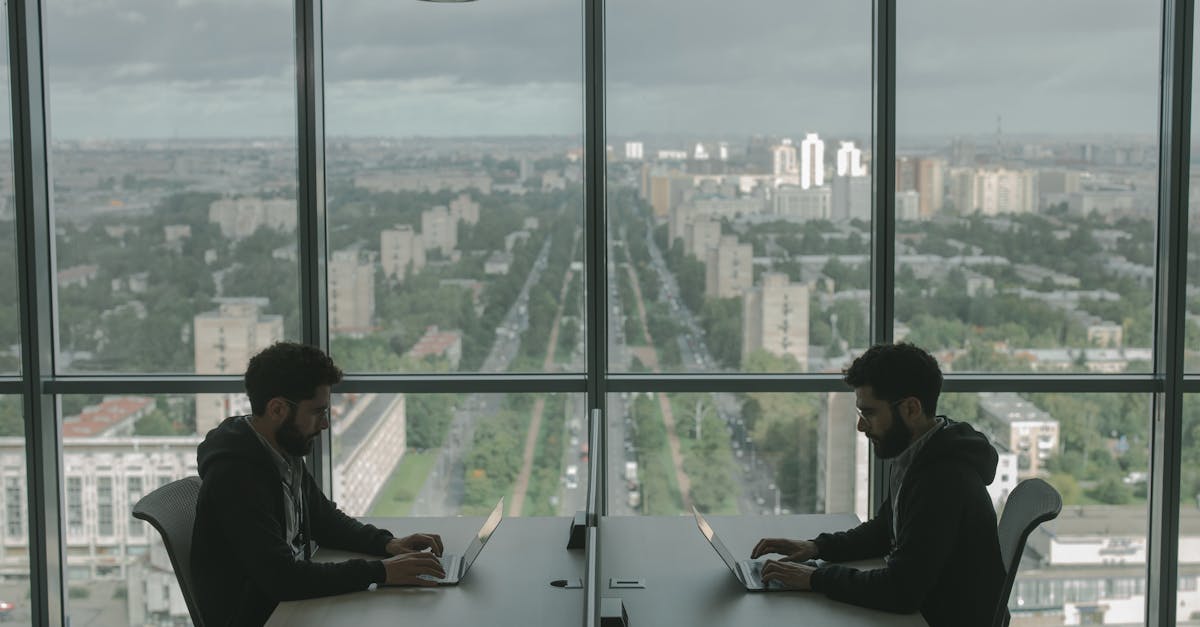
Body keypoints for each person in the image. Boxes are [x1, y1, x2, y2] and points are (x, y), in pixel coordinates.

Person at [191, 342, 446, 627]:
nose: (324, 424)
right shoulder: (235, 476)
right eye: (317, 412)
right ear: (277, 409)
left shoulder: (280, 446)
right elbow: (282, 578)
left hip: (289, 605)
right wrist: (381, 572)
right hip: (260, 616)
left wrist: (388, 544)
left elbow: (324, 519)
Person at [750, 342, 1005, 627]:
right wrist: (816, 548)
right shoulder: (921, 453)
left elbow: (901, 591)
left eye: (869, 413)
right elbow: (886, 528)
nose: (861, 426)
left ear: (911, 408)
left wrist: (814, 578)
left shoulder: (943, 480)